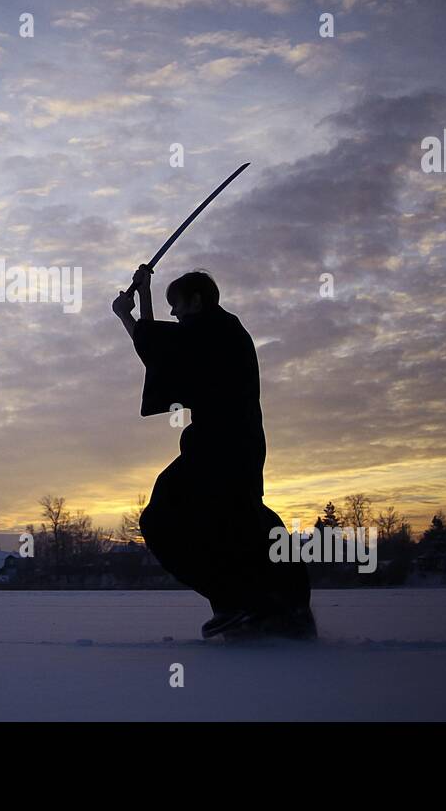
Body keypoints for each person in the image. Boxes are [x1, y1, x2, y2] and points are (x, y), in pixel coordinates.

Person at [112, 264, 314, 641]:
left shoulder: (214, 332)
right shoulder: (221, 334)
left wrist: (127, 313)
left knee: (163, 519)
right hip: (233, 448)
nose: (174, 313)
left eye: (178, 305)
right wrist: (145, 298)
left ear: (197, 301)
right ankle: (273, 607)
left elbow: (162, 348)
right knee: (242, 524)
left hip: (218, 448)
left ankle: (239, 601)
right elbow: (164, 356)